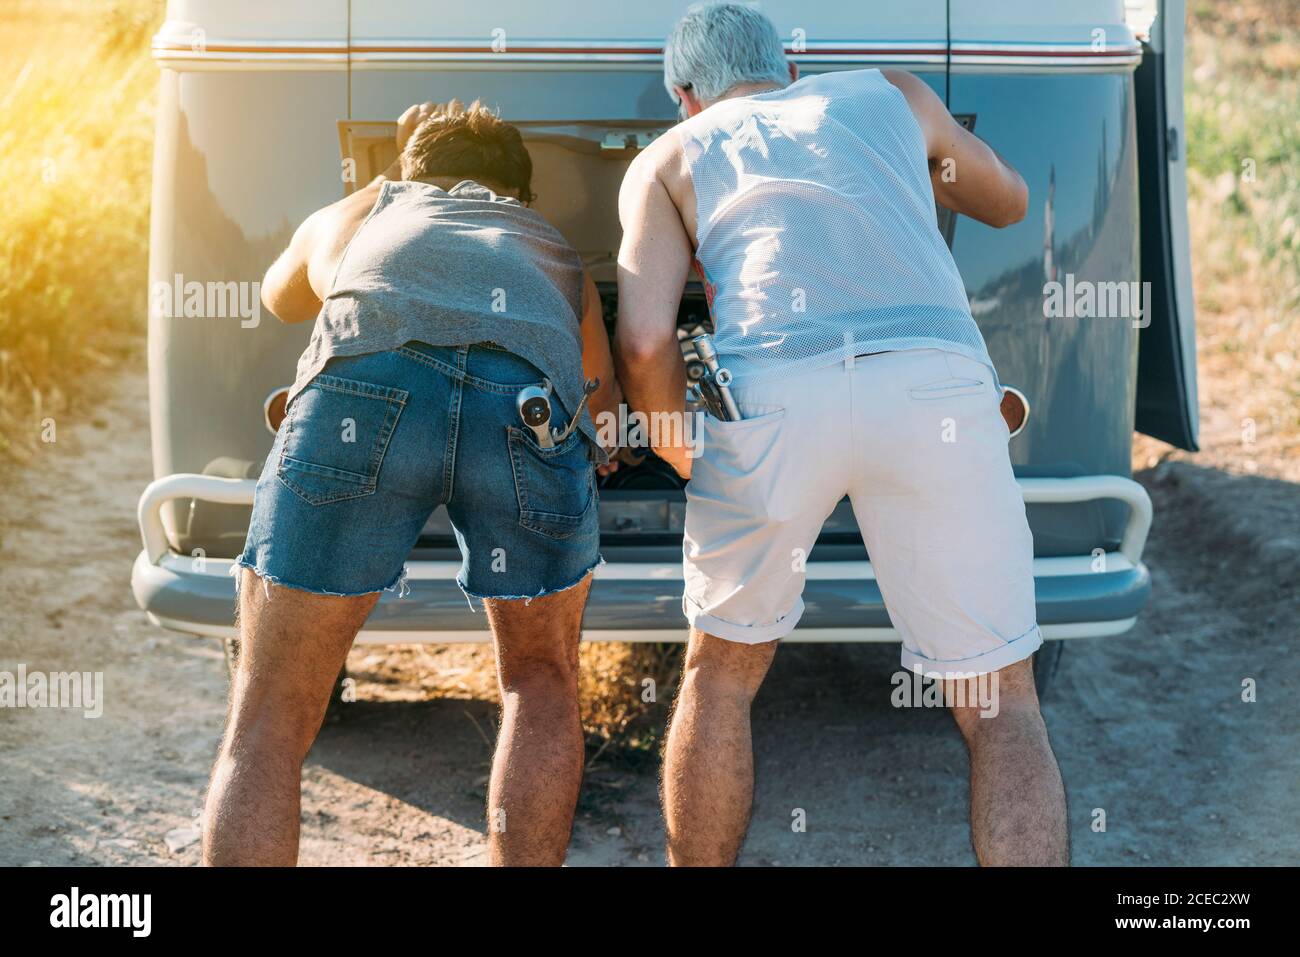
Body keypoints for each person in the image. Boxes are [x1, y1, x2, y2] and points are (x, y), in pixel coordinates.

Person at [614, 3, 1067, 866]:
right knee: (1001, 702)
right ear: (789, 70)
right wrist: (914, 163)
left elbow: (642, 339)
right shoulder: (890, 93)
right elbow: (1005, 201)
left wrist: (678, 442)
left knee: (719, 679)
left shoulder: (667, 159)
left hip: (773, 397)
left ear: (683, 96)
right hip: (934, 381)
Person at [202, 100, 620, 867]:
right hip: (522, 402)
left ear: (410, 172)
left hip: (365, 380)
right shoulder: (553, 250)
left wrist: (392, 177)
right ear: (520, 196)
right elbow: (606, 411)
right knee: (540, 683)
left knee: (269, 714)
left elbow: (280, 293)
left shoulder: (366, 215)